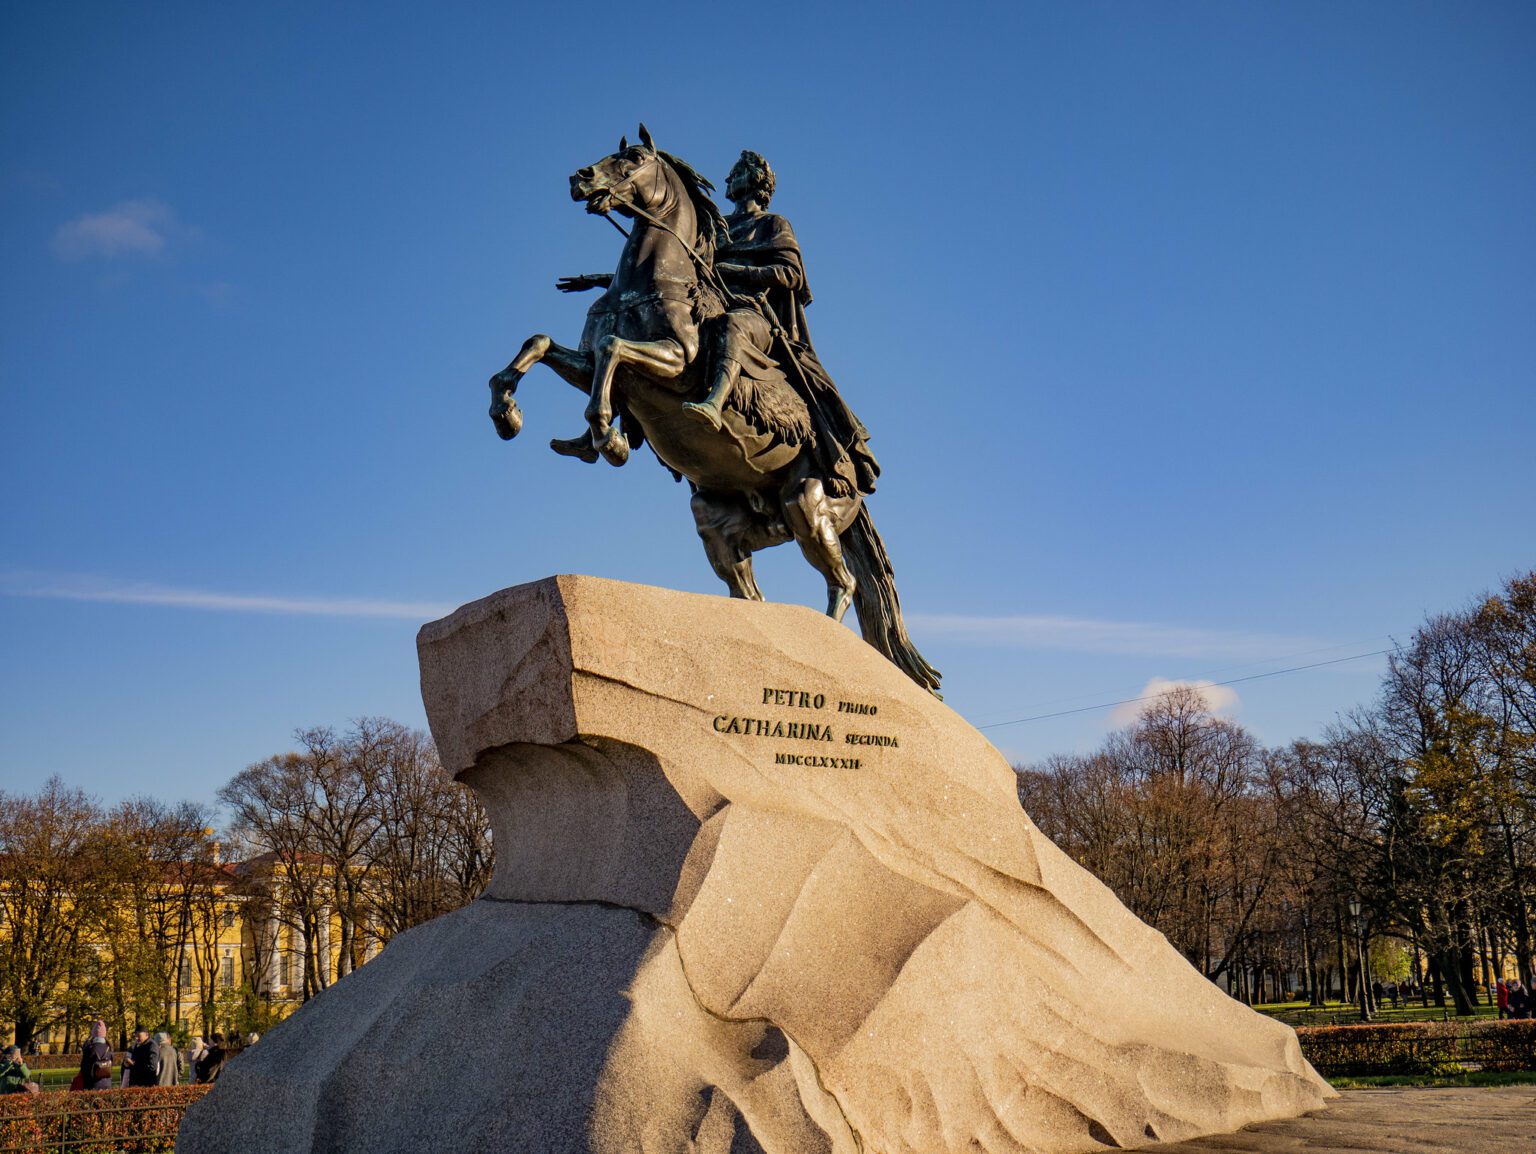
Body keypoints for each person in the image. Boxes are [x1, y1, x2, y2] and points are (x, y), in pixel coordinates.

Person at [680, 150, 880, 500]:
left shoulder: (773, 224)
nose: (728, 179)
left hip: (755, 315)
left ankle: (715, 402)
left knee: (732, 328)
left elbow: (791, 275)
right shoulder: (716, 228)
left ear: (756, 181)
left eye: (736, 172)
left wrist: (735, 271)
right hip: (709, 304)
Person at [79, 1020, 115, 1090]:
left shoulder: (90, 1048)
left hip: (92, 1085)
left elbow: (84, 1067)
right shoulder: (109, 1047)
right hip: (107, 1084)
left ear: (93, 1034)